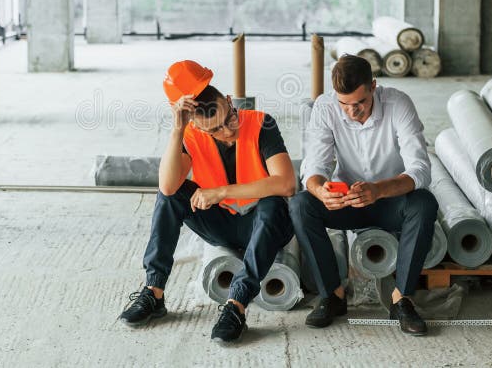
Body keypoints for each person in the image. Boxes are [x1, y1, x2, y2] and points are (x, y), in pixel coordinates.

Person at [118, 60, 296, 344]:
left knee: (272, 203)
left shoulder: (261, 123)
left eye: (228, 120)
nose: (227, 131)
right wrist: (177, 131)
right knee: (172, 194)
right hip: (222, 224)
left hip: (266, 225)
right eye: (214, 130)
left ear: (227, 100)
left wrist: (221, 192)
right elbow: (166, 186)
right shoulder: (192, 134)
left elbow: (287, 183)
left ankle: (236, 305)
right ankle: (154, 291)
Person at [290, 54, 437, 335]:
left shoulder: (399, 103)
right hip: (347, 202)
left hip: (390, 199)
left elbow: (420, 169)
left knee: (424, 203)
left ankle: (401, 299)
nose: (352, 112)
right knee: (300, 205)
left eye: (360, 103)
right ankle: (332, 295)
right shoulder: (325, 107)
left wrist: (379, 189)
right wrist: (321, 190)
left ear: (373, 86)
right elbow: (313, 167)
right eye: (344, 104)